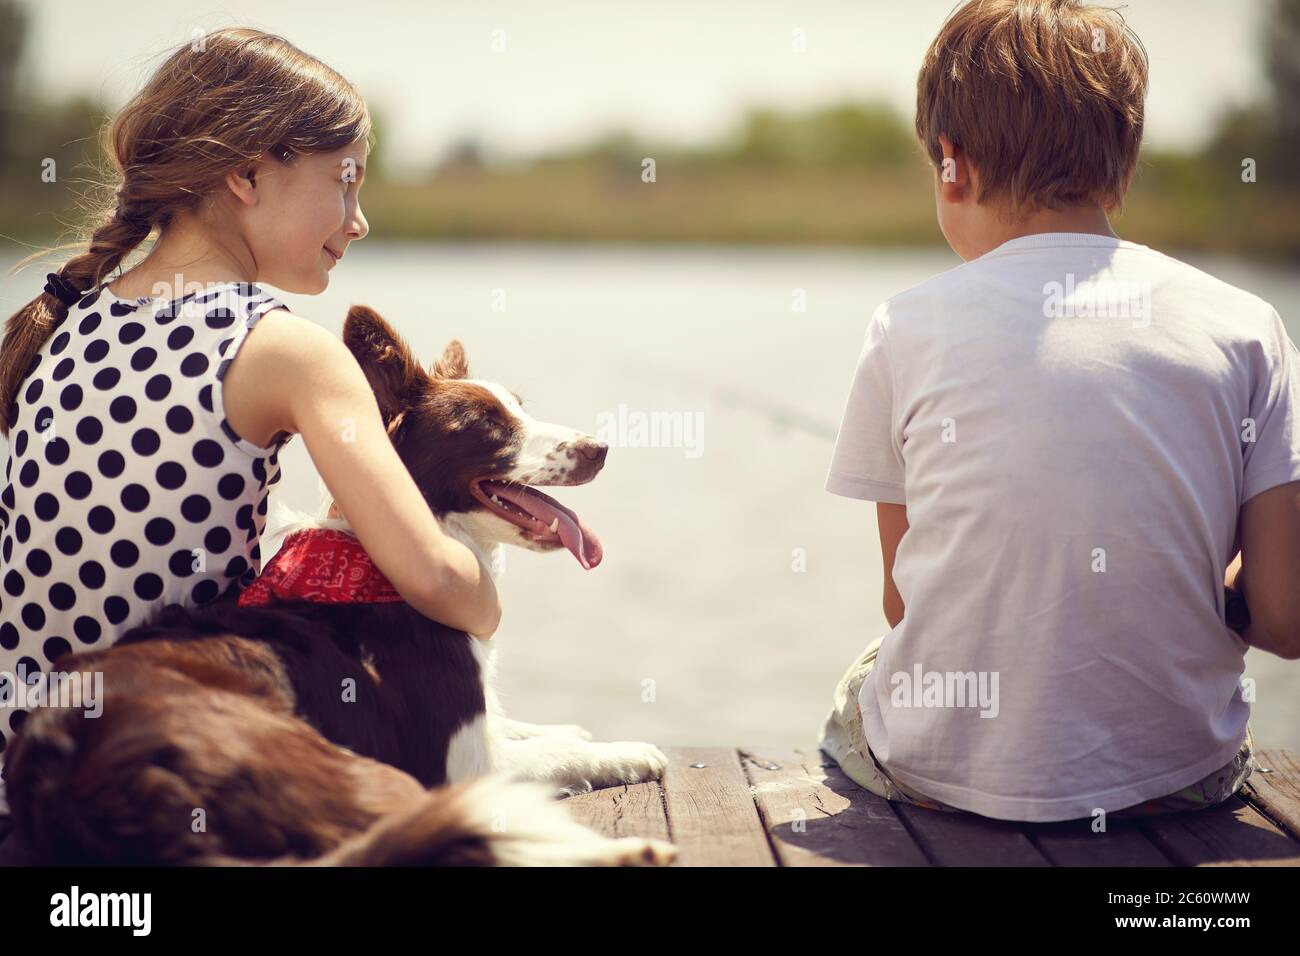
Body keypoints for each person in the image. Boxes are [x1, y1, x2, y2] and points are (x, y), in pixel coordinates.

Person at [818, 0, 1300, 823]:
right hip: (1176, 779)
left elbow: (906, 604)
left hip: (943, 775)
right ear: (1123, 164)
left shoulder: (905, 325)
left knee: (865, 671)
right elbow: (1287, 619)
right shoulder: (1247, 325)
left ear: (950, 165)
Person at [0, 28, 502, 817]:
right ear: (246, 174)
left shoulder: (63, 320)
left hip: (25, 772)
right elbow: (437, 580)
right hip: (164, 768)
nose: (359, 218)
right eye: (345, 182)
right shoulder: (280, 348)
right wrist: (486, 585)